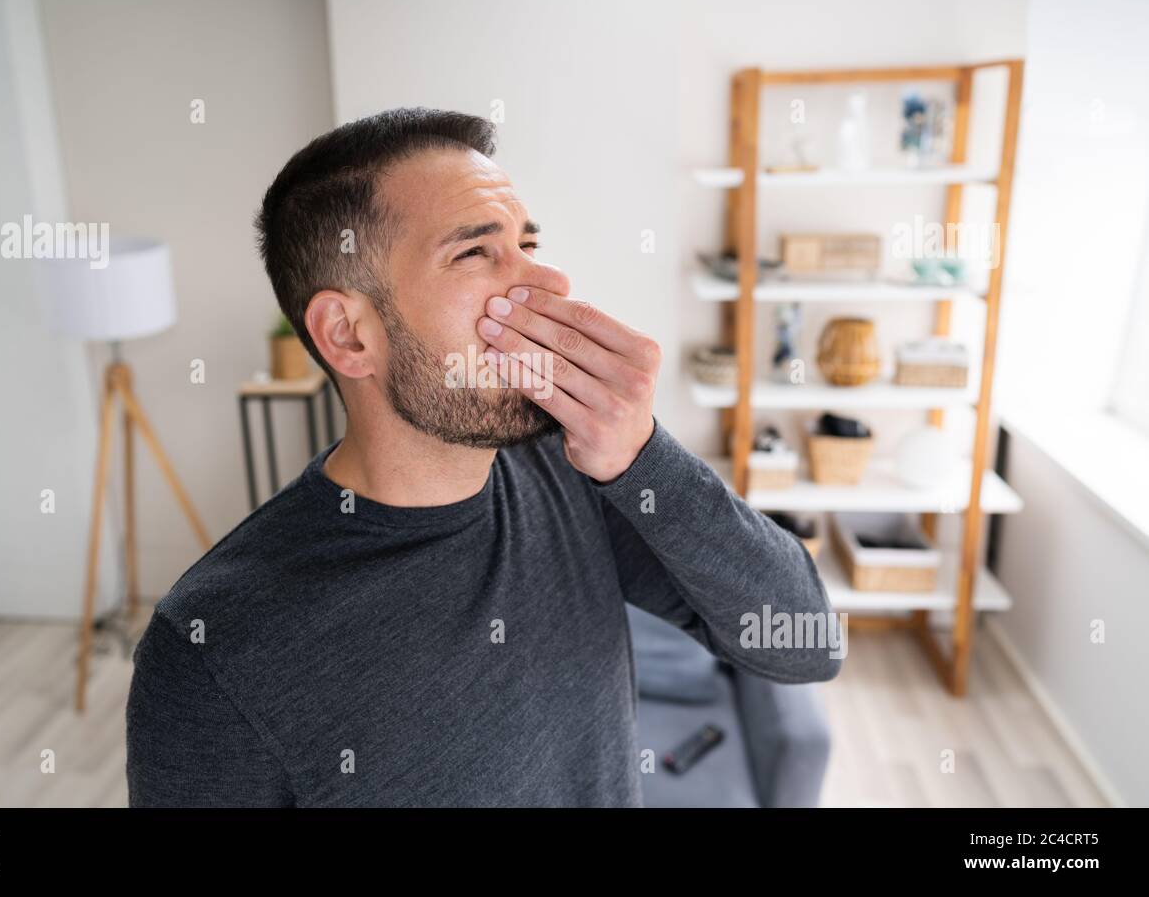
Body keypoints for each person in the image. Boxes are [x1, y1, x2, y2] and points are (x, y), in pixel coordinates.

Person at [125, 107, 841, 807]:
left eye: (527, 244)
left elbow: (807, 644)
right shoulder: (211, 645)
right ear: (347, 335)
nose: (545, 282)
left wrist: (643, 456)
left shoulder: (574, 474)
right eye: (475, 252)